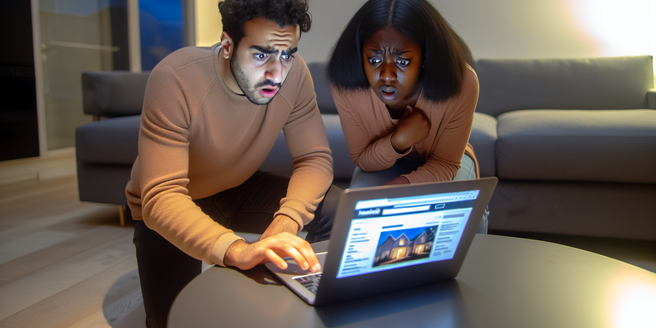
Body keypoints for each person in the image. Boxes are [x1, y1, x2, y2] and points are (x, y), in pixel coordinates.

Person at [125, 0, 339, 326]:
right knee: (173, 320)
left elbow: (314, 158)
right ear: (228, 45)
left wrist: (285, 224)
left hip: (239, 187)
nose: (277, 73)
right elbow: (161, 197)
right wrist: (238, 250)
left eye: (287, 54)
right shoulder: (175, 77)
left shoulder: (295, 76)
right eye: (261, 54)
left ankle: (309, 299)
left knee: (337, 207)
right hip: (173, 203)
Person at [327, 0, 488, 232]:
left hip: (443, 162)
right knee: (362, 216)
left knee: (463, 215)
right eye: (374, 60)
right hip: (381, 163)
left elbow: (445, 164)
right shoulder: (346, 84)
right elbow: (362, 158)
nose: (386, 75)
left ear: (425, 57)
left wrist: (396, 189)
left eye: (402, 61)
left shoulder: (462, 82)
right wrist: (399, 140)